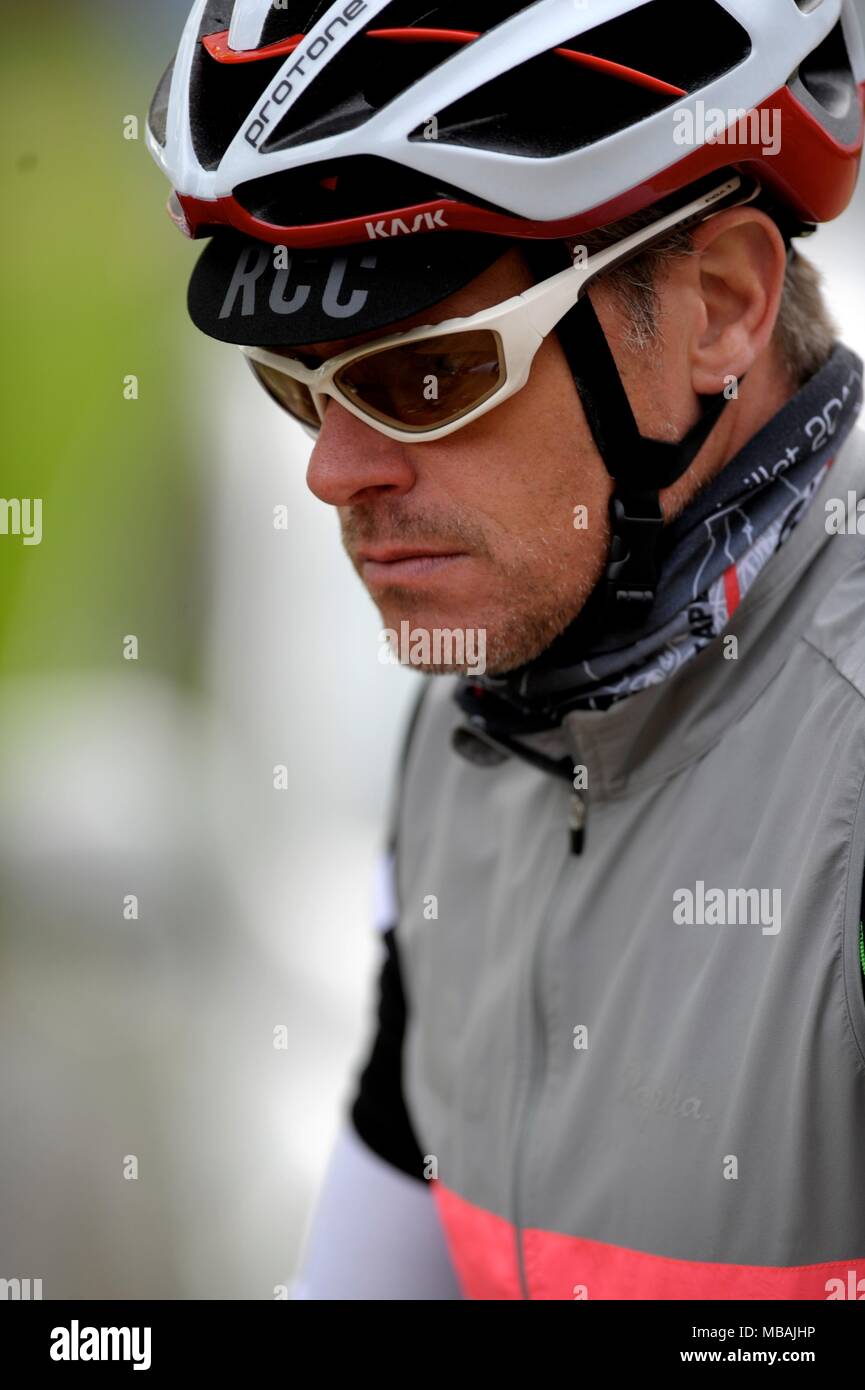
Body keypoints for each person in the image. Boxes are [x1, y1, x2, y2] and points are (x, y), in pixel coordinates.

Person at [149, 0, 865, 1299]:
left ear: (717, 309)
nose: (329, 468)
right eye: (298, 381)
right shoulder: (480, 714)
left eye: (423, 376)